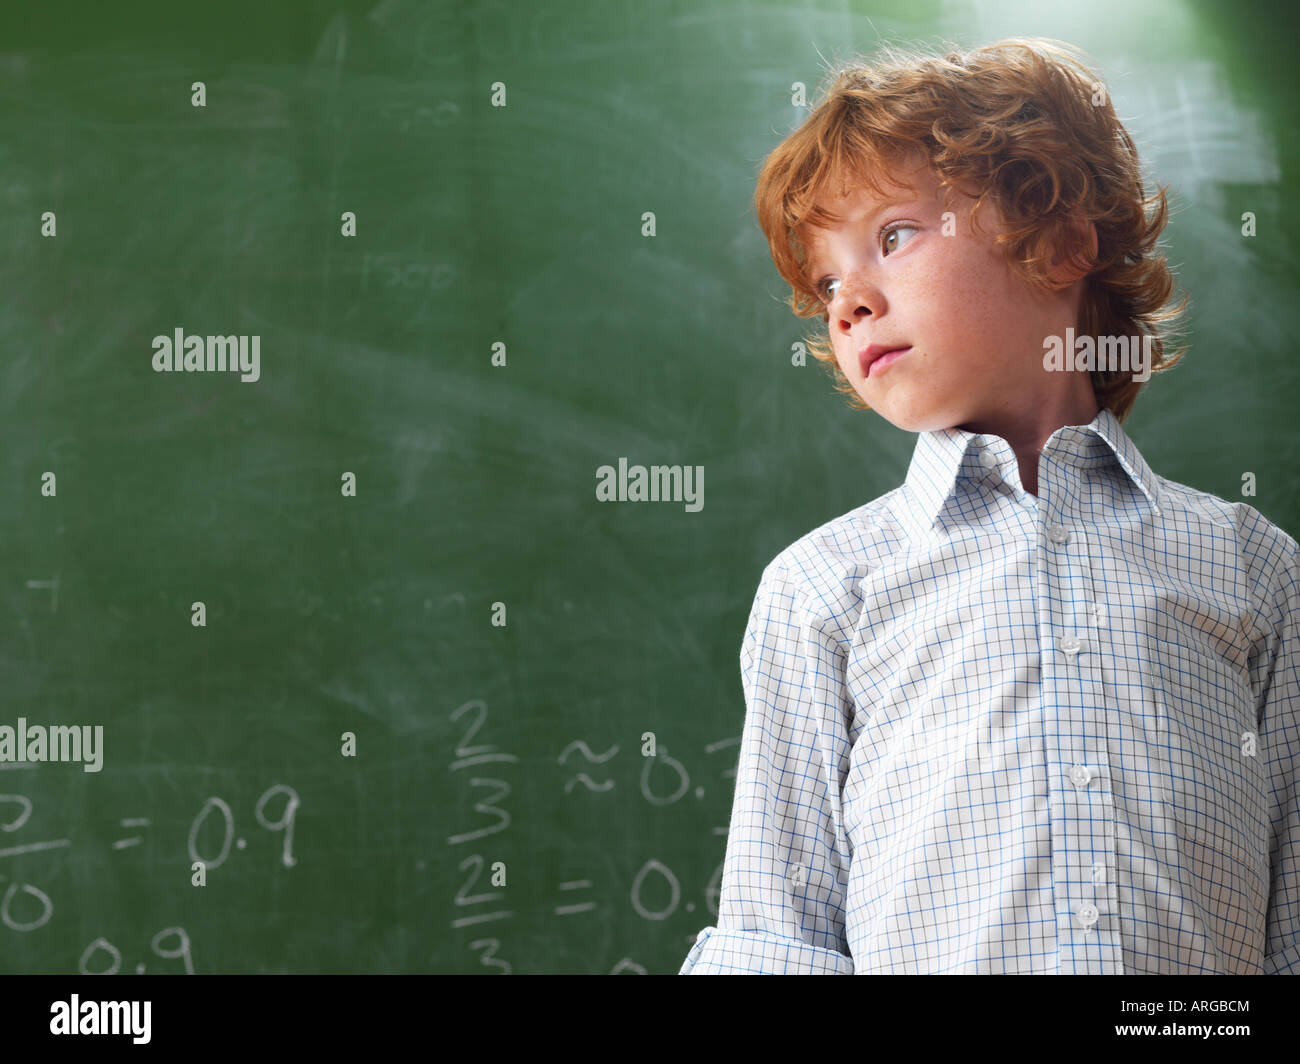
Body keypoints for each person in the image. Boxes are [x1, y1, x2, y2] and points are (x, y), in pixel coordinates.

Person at [680, 37, 1298, 974]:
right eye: (827, 284)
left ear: (1061, 241)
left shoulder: (1254, 569)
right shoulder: (822, 591)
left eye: (893, 236)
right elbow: (779, 938)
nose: (848, 304)